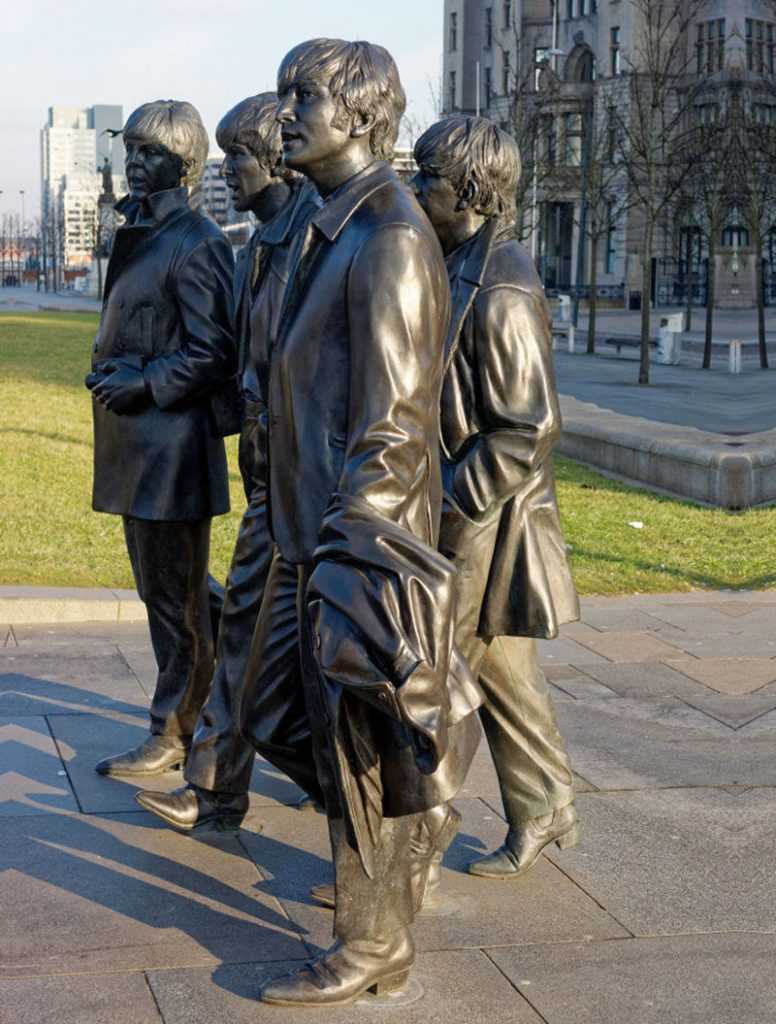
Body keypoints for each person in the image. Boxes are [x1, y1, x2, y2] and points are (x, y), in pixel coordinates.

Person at [244, 39, 481, 1008]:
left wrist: (346, 559)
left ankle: (369, 936)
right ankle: (417, 799)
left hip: (353, 543)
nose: (285, 111)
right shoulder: (325, 222)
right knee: (271, 713)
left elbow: (390, 424)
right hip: (307, 532)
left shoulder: (386, 234)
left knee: (348, 741)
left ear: (361, 115)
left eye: (304, 97)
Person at [135, 94, 320, 832]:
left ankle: (364, 808)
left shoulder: (310, 241)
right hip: (269, 479)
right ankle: (220, 790)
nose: (227, 170)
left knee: (269, 646)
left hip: (304, 485)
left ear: (274, 161)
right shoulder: (265, 243)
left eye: (238, 157)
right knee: (250, 640)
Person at [411, 115, 580, 879]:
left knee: (438, 675)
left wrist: (450, 499)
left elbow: (525, 428)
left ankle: (415, 833)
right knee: (503, 672)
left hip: (482, 520)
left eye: (429, 180)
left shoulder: (503, 283)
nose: (416, 192)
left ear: (472, 191)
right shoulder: (454, 264)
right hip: (460, 511)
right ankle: (546, 809)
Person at [86, 100, 235, 777]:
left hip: (172, 450)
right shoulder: (139, 229)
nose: (137, 163)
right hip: (137, 446)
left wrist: (144, 381)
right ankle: (250, 685)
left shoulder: (198, 240)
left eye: (153, 155)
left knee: (174, 602)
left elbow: (213, 350)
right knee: (175, 594)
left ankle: (175, 730)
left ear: (186, 165)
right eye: (133, 149)